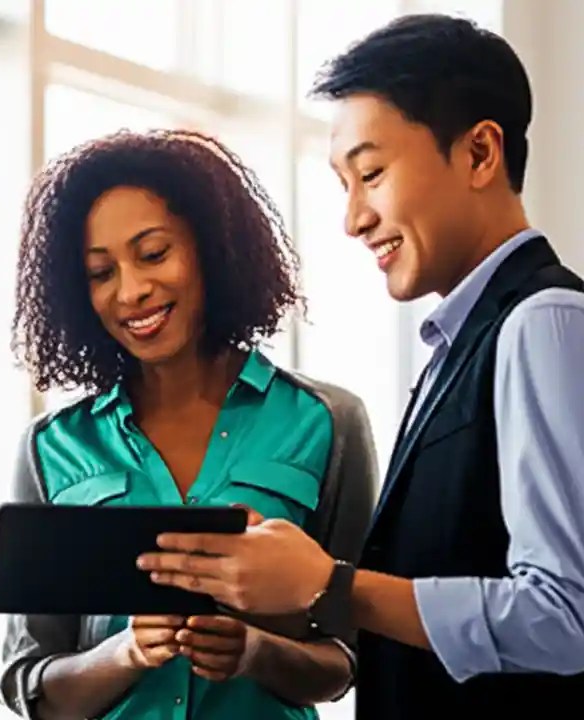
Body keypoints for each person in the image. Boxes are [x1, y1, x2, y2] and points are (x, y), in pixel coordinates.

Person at [139, 14, 584, 719]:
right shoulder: (462, 341)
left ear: (479, 154)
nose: (353, 218)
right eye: (344, 183)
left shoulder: (542, 323)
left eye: (371, 174)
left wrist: (331, 585)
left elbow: (567, 615)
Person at [0, 128, 378, 720]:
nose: (132, 291)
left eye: (154, 254)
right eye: (101, 273)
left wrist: (257, 652)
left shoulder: (326, 423)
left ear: (212, 249)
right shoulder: (53, 448)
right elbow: (30, 685)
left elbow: (347, 657)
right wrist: (125, 653)